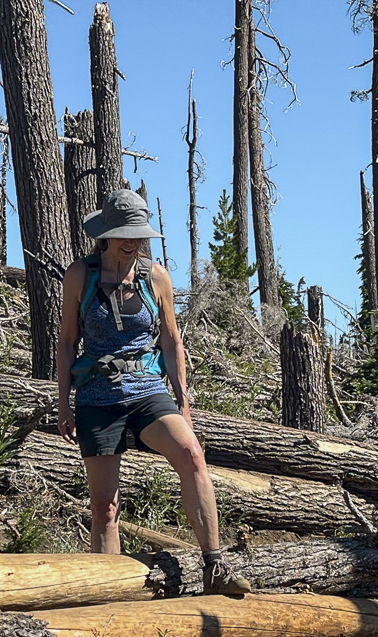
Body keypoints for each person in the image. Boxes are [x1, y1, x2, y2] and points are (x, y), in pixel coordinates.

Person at [56, 189, 251, 595]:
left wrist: (183, 400)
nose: (133, 243)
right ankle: (108, 595)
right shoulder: (80, 275)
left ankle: (214, 566)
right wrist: (64, 403)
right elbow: (67, 341)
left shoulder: (155, 277)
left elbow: (171, 340)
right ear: (107, 234)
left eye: (139, 235)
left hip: (147, 389)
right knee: (105, 506)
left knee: (191, 454)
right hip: (97, 395)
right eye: (126, 235)